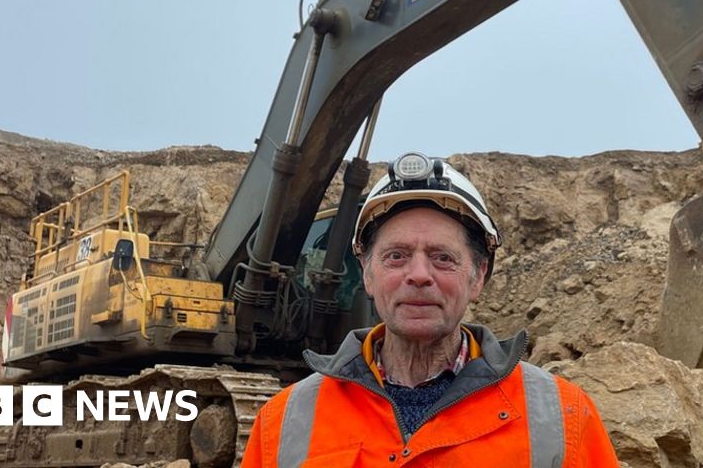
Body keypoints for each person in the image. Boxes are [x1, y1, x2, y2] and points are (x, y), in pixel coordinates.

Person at [240, 152, 620, 467]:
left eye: (442, 257)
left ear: (478, 276)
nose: (419, 275)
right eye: (396, 256)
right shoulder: (285, 423)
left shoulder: (561, 418)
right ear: (367, 275)